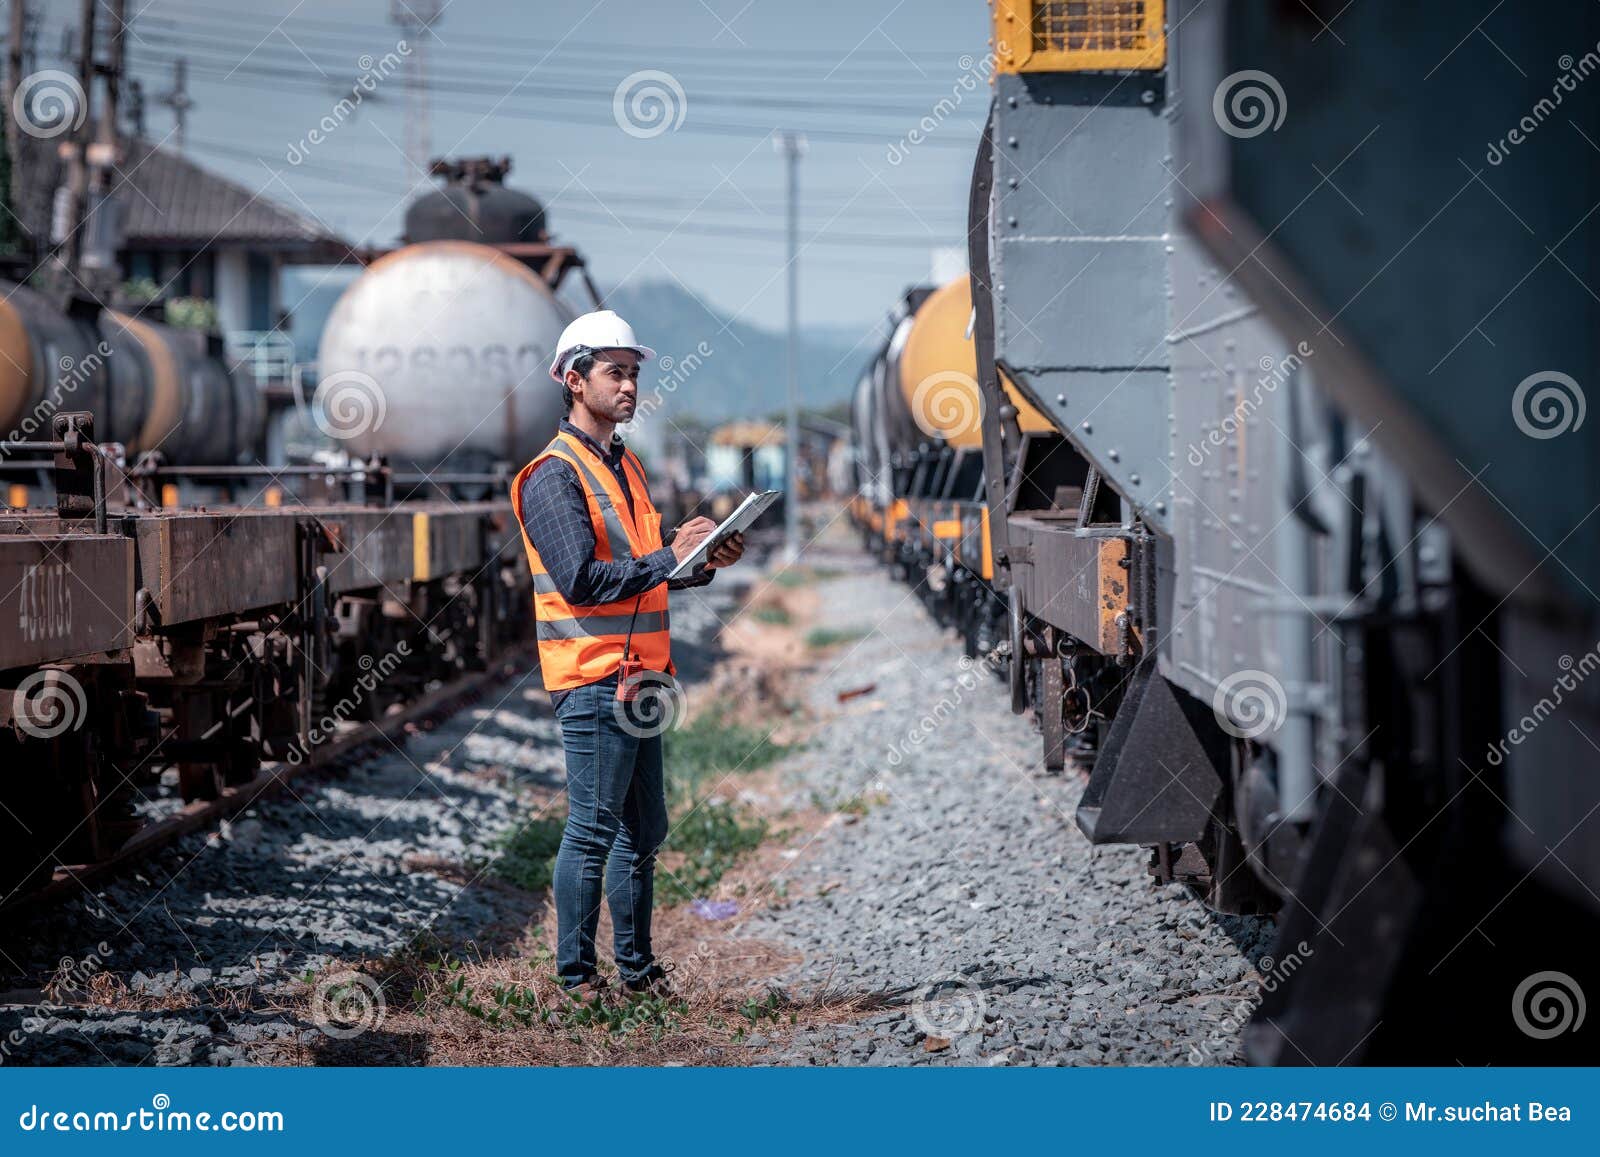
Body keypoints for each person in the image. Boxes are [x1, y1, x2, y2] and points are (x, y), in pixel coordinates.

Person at [509, 309, 744, 1000]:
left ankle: (637, 974)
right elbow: (582, 580)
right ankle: (576, 981)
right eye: (616, 372)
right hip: (592, 679)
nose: (630, 386)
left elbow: (648, 569)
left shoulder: (625, 465)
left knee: (643, 829)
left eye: (635, 373)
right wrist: (667, 557)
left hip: (641, 679)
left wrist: (703, 558)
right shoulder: (552, 475)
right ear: (572, 378)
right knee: (591, 829)